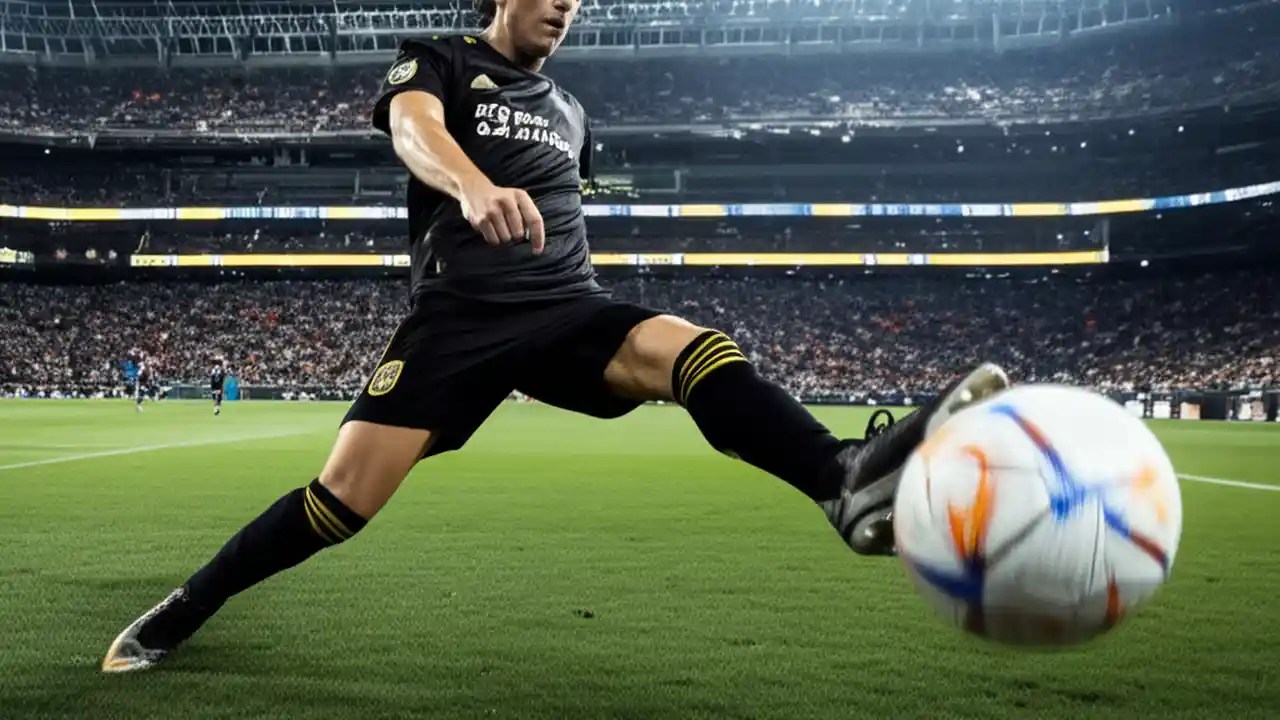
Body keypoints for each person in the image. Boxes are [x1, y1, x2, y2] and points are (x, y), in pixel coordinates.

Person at [101, 0, 1009, 672]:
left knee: (693, 348)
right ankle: (187, 606)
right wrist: (470, 186)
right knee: (342, 500)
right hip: (460, 315)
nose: (567, 5)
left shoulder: (574, 114)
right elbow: (412, 132)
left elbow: (568, 212)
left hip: (568, 305)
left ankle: (841, 480)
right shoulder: (439, 62)